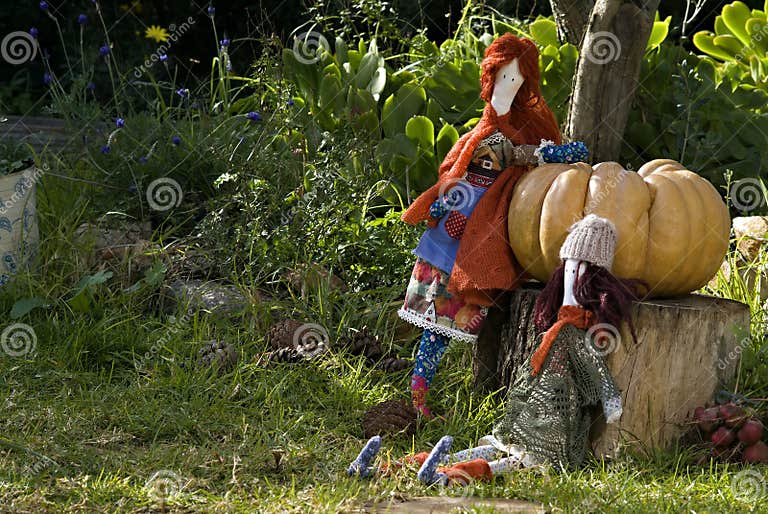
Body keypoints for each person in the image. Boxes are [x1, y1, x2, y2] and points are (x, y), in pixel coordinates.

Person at [351, 215, 646, 483]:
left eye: (580, 270)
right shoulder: (556, 331)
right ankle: (398, 466)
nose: (572, 277)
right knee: (492, 447)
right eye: (569, 269)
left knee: (514, 462)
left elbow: (593, 370)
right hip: (522, 418)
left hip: (553, 431)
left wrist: (610, 400)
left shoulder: (574, 336)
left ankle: (454, 476)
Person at [398, 33, 587, 417]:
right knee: (436, 325)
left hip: (484, 237)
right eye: (502, 77)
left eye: (516, 79)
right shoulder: (483, 134)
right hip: (453, 237)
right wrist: (445, 204)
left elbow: (530, 155)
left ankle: (495, 396)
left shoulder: (519, 132)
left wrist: (547, 153)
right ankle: (419, 398)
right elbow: (462, 169)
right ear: (490, 77)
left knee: (476, 319)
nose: (508, 85)